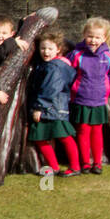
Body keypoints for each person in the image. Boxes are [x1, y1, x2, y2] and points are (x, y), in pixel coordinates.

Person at [68, 17, 110, 175]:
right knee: (83, 131)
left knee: (97, 132)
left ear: (104, 38)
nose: (93, 40)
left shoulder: (108, 56)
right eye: (90, 36)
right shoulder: (77, 54)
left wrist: (103, 86)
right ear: (84, 35)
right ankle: (85, 163)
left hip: (98, 99)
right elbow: (69, 71)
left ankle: (97, 163)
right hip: (81, 98)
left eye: (97, 37)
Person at [27, 31, 80, 177]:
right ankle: (54, 167)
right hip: (52, 107)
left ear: (58, 49)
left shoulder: (54, 67)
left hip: (53, 108)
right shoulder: (47, 65)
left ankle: (75, 167)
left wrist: (39, 108)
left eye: (50, 48)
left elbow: (50, 89)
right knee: (40, 138)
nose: (46, 52)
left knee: (64, 137)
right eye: (43, 48)